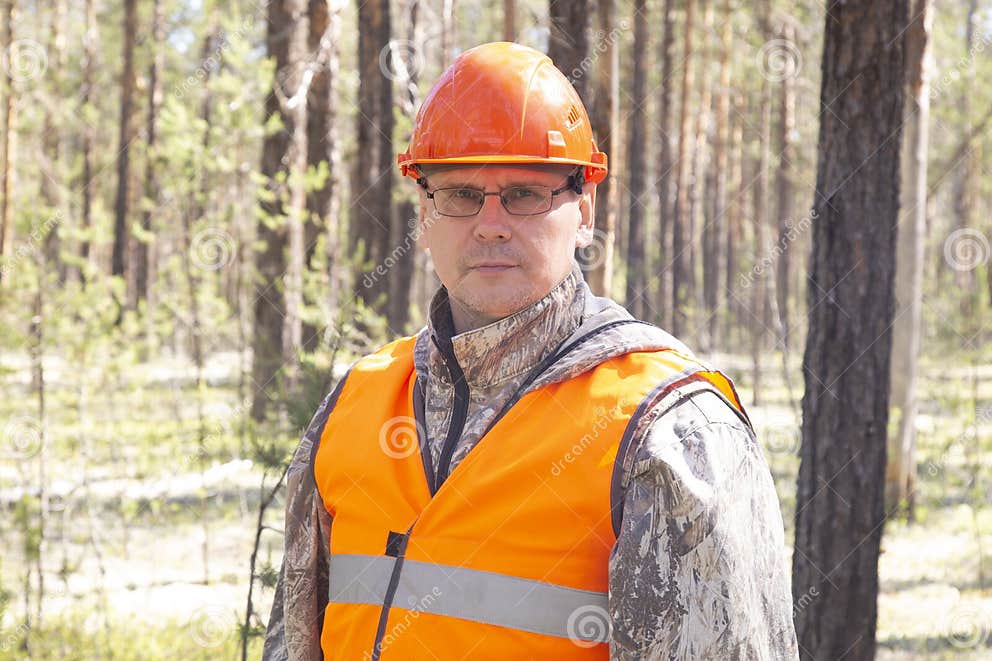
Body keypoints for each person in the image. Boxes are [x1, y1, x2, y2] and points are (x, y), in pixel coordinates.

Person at [263, 41, 799, 660]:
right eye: (462, 194)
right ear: (424, 208)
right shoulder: (357, 403)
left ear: (585, 208)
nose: (491, 223)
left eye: (524, 193)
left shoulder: (669, 429)